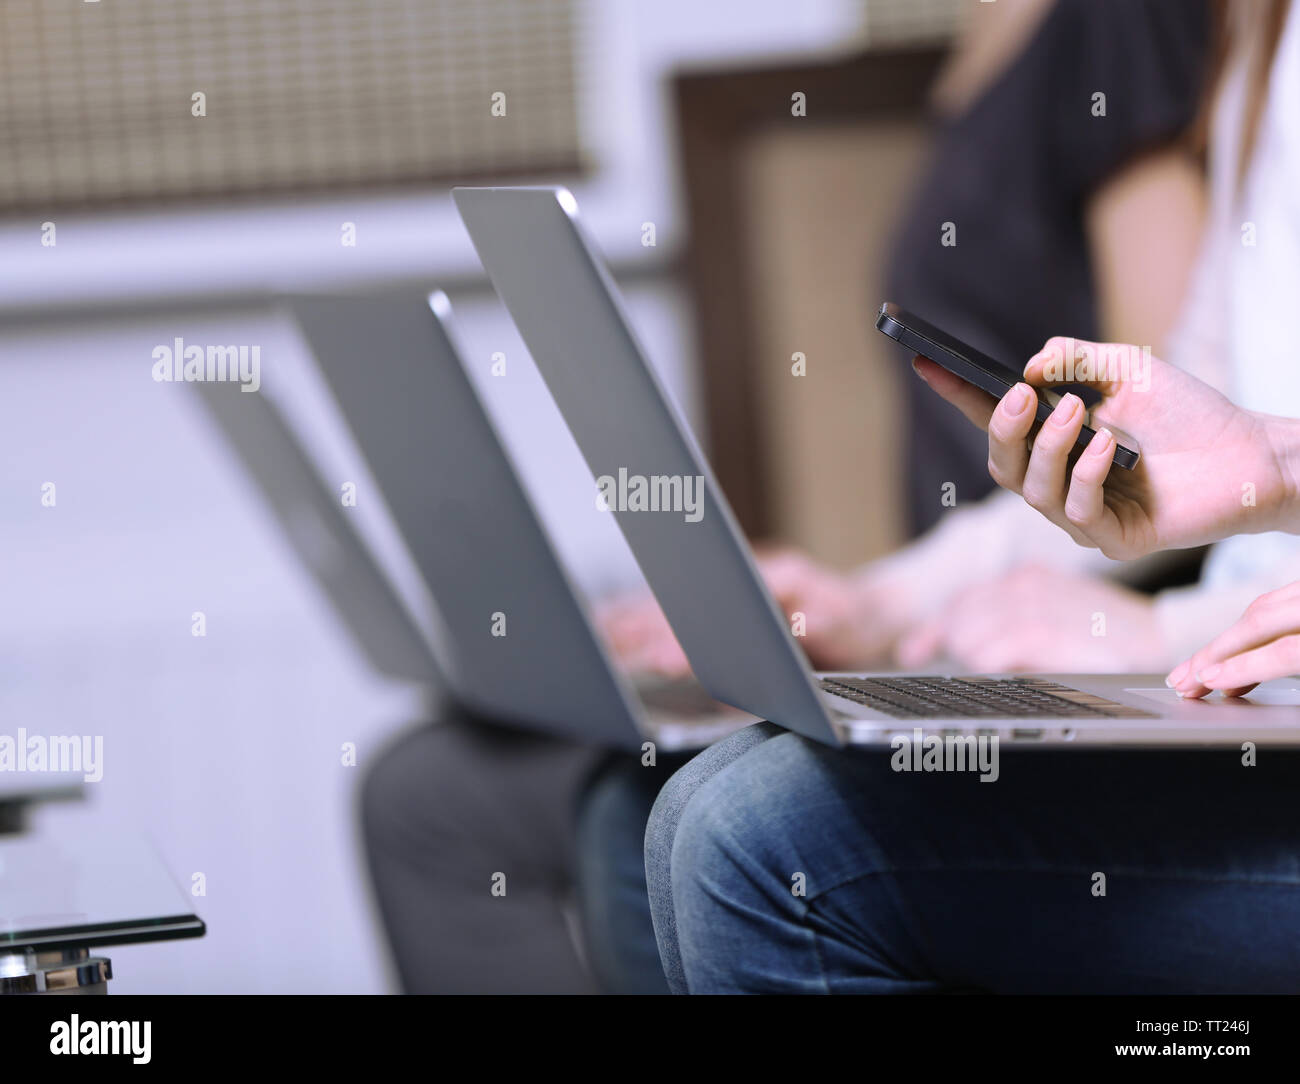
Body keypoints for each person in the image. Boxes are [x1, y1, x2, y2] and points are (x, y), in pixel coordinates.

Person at [361, 0, 1211, 993]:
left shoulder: (1132, 29)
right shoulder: (994, 44)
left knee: (687, 819)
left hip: (1081, 626)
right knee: (451, 787)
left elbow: (1162, 440)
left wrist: (1143, 627)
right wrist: (878, 602)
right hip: (977, 600)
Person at [646, 0, 1300, 995]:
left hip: (1238, 685)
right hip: (1249, 701)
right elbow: (1206, 434)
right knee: (668, 806)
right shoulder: (1255, 39)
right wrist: (884, 603)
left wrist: (1156, 631)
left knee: (756, 839)